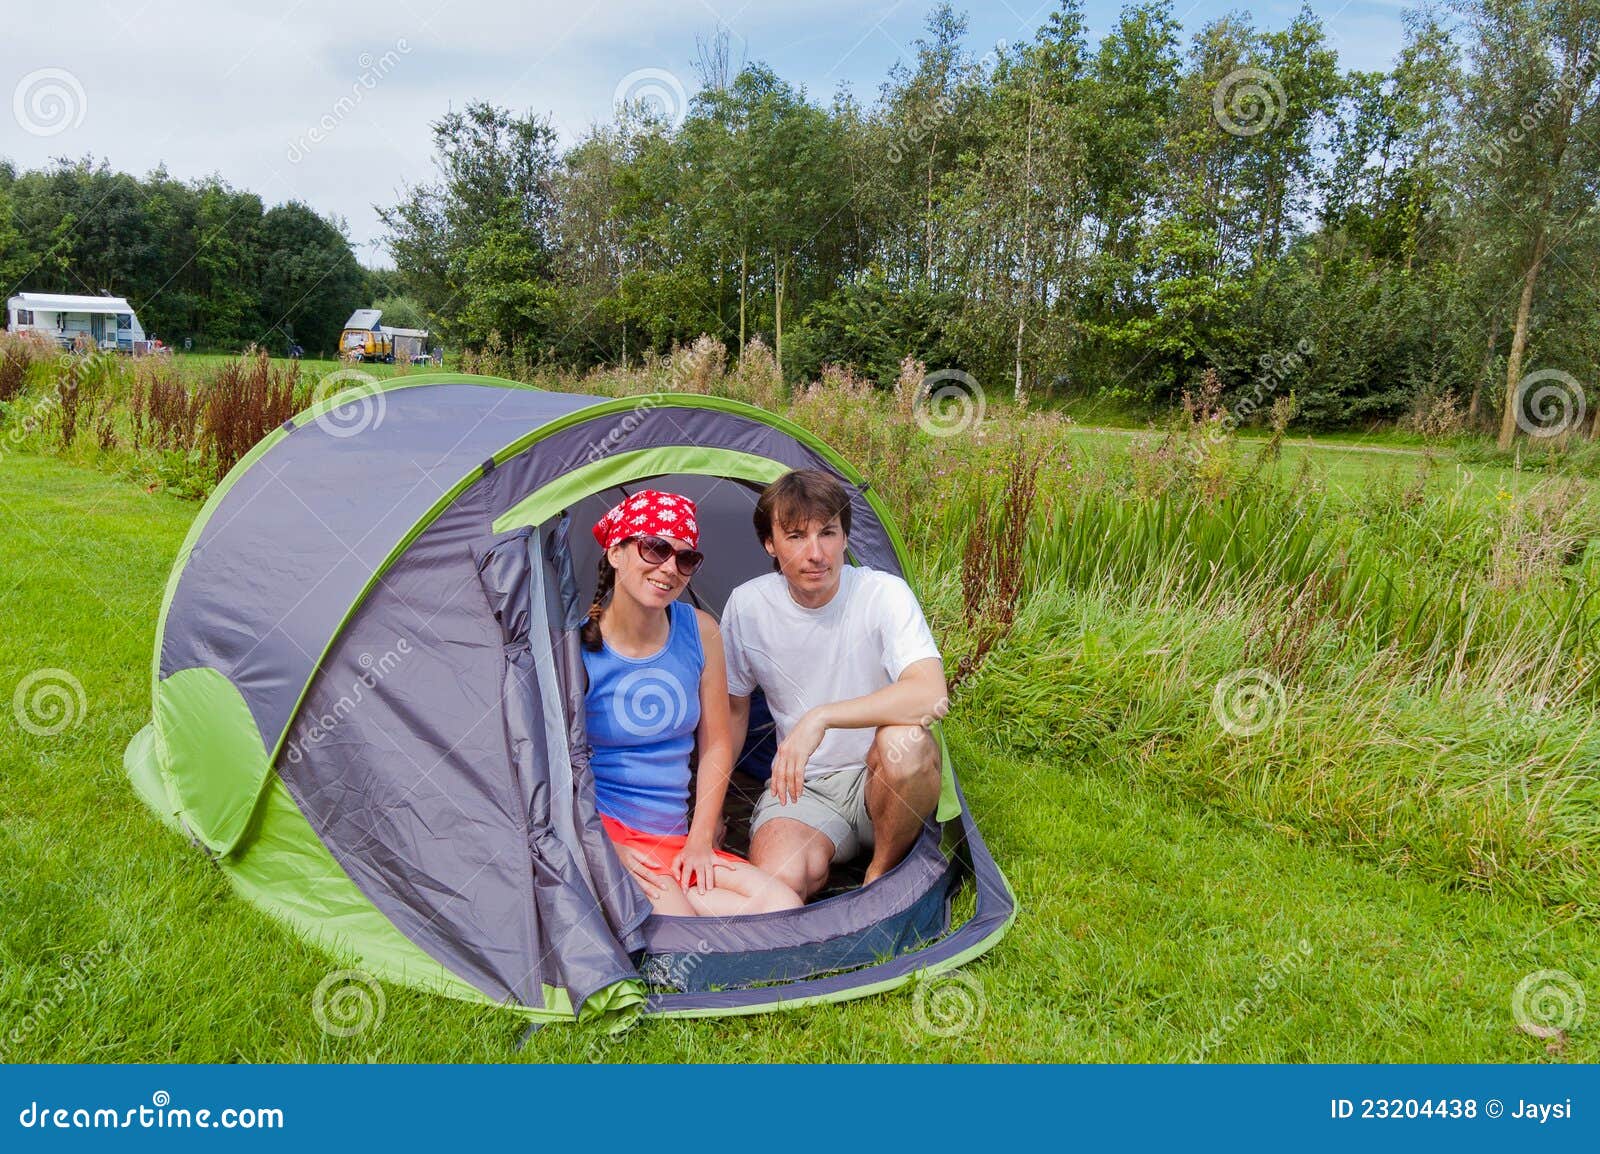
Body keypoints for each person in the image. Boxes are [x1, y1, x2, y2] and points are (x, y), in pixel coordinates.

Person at [722, 469, 949, 901]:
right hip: (806, 785)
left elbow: (931, 695)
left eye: (827, 533)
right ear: (769, 544)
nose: (816, 553)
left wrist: (821, 718)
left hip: (881, 775)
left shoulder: (883, 593)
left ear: (845, 537)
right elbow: (733, 712)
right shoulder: (748, 605)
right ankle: (826, 852)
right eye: (795, 536)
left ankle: (878, 874)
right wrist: (708, 808)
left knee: (908, 741)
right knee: (778, 882)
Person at [582, 489, 802, 917]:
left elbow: (718, 744)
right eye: (655, 548)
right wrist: (603, 851)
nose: (669, 568)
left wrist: (702, 835)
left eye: (685, 559)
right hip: (612, 837)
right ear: (616, 552)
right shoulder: (577, 648)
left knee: (783, 906)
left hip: (678, 838)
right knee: (680, 924)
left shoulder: (700, 631)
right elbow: (557, 771)